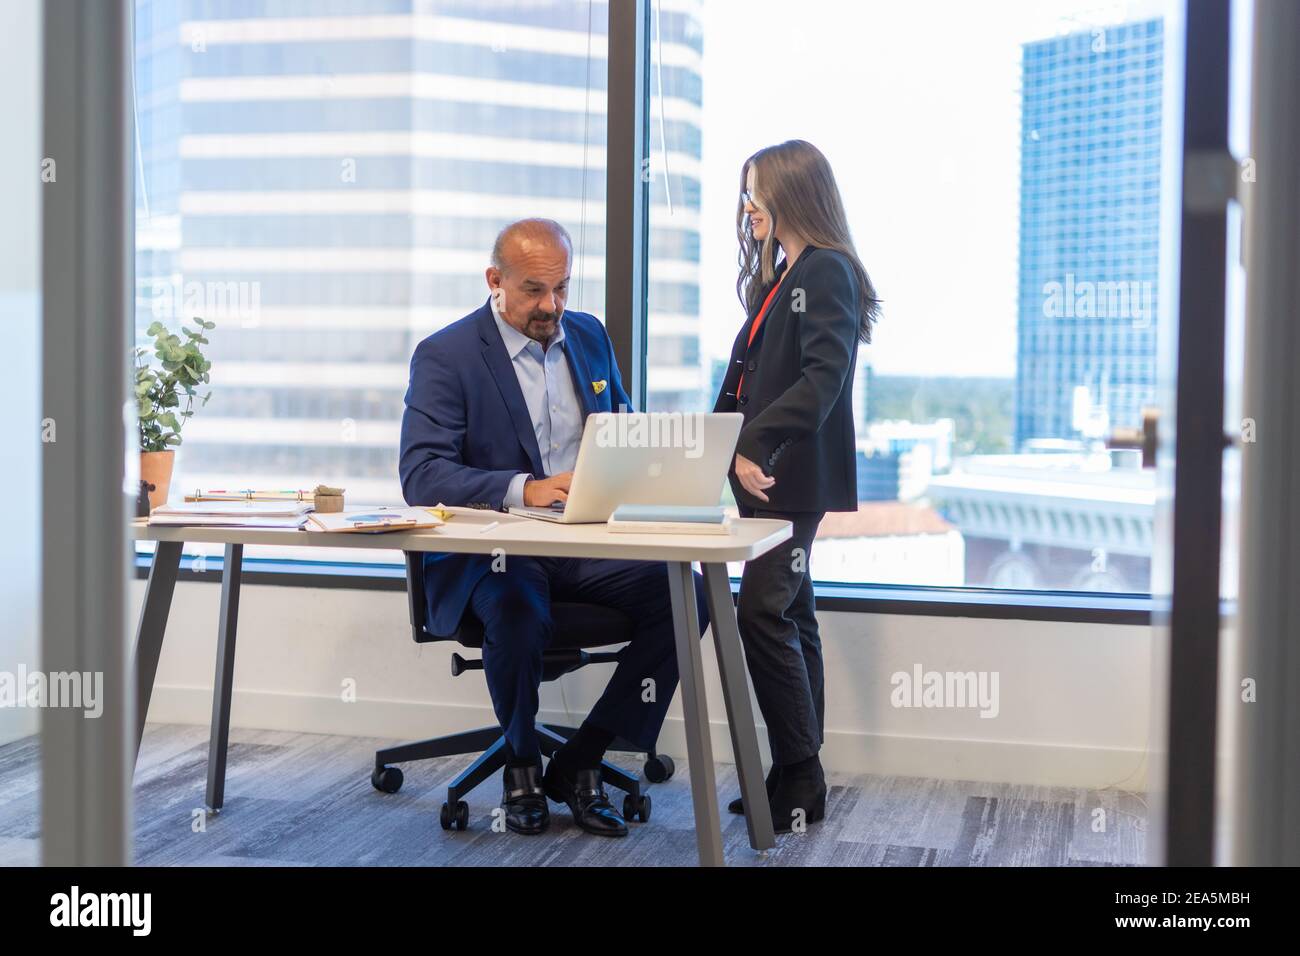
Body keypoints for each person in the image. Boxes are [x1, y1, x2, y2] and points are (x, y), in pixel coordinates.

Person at [400, 218, 707, 838]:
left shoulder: (589, 337)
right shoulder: (447, 355)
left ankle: (581, 757)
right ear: (495, 281)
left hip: (585, 542)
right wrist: (524, 488)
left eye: (562, 288)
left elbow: (622, 428)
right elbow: (421, 472)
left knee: (689, 596)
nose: (552, 306)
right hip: (496, 550)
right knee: (516, 608)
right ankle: (521, 765)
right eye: (535, 290)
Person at [713, 141, 880, 833]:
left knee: (762, 614)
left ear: (790, 193)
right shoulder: (781, 276)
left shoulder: (828, 271)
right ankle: (792, 771)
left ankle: (802, 773)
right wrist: (717, 444)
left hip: (792, 478)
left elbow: (820, 384)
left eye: (756, 192)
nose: (747, 206)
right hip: (762, 477)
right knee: (792, 614)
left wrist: (751, 441)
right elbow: (748, 378)